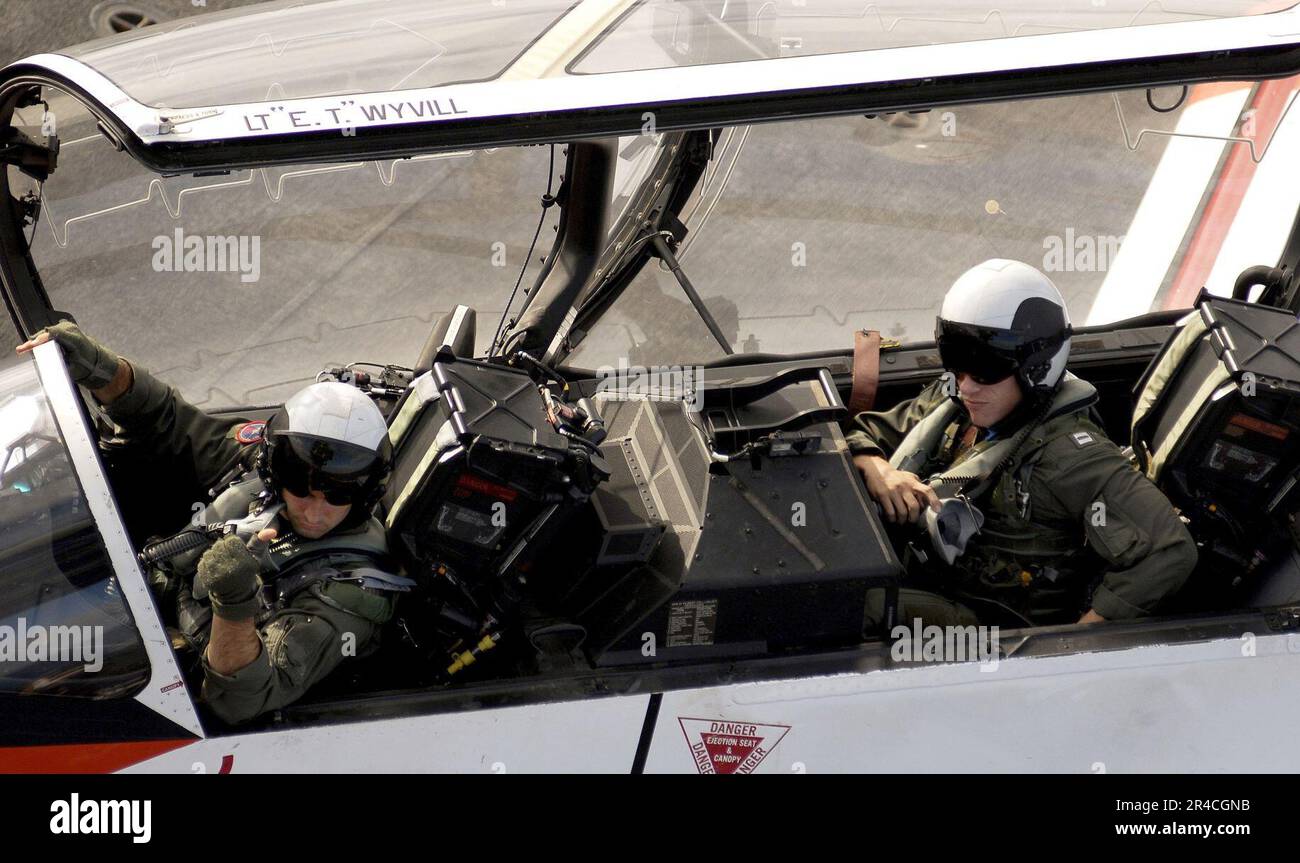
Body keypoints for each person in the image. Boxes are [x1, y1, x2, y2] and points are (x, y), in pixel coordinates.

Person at [17, 322, 412, 724]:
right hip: (136, 602)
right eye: (299, 487)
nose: (314, 509)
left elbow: (237, 700)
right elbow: (166, 420)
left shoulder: (350, 597)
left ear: (363, 496)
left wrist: (235, 602)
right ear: (277, 471)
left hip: (170, 691)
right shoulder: (259, 471)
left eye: (337, 496)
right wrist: (98, 367)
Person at [848, 259, 1197, 629]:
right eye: (957, 363)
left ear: (1034, 368)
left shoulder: (1068, 456)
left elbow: (1169, 550)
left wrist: (1081, 642)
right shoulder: (957, 398)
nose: (967, 385)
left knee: (852, 606)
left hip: (990, 625)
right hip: (933, 575)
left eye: (985, 369)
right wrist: (880, 470)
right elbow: (864, 435)